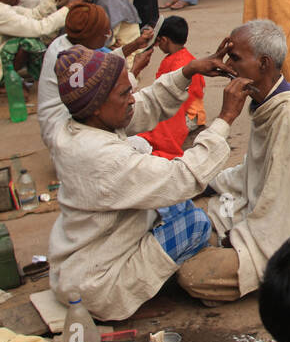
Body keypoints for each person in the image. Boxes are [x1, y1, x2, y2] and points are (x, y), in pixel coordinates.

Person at [45, 44, 253, 320]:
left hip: (76, 264)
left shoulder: (80, 119)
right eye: (123, 94)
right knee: (195, 224)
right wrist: (225, 119)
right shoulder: (99, 157)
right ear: (97, 108)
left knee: (163, 184)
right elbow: (183, 178)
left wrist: (188, 71)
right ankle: (134, 297)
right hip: (97, 286)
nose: (132, 99)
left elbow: (146, 104)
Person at [175, 20, 290, 305]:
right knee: (187, 222)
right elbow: (256, 169)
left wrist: (237, 236)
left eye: (235, 58)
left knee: (191, 274)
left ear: (263, 63)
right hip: (269, 209)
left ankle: (288, 273)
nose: (227, 66)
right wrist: (206, 183)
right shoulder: (267, 101)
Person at [36, 1, 154, 146]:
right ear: (91, 36)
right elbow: (102, 92)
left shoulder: (66, 43)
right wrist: (135, 70)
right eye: (105, 32)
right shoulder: (72, 62)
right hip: (63, 132)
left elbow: (104, 63)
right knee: (138, 142)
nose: (108, 36)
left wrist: (135, 44)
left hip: (62, 125)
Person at [136, 15, 207, 159]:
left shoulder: (180, 63)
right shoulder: (180, 57)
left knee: (153, 127)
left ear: (164, 40)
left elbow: (180, 101)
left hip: (189, 114)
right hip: (184, 107)